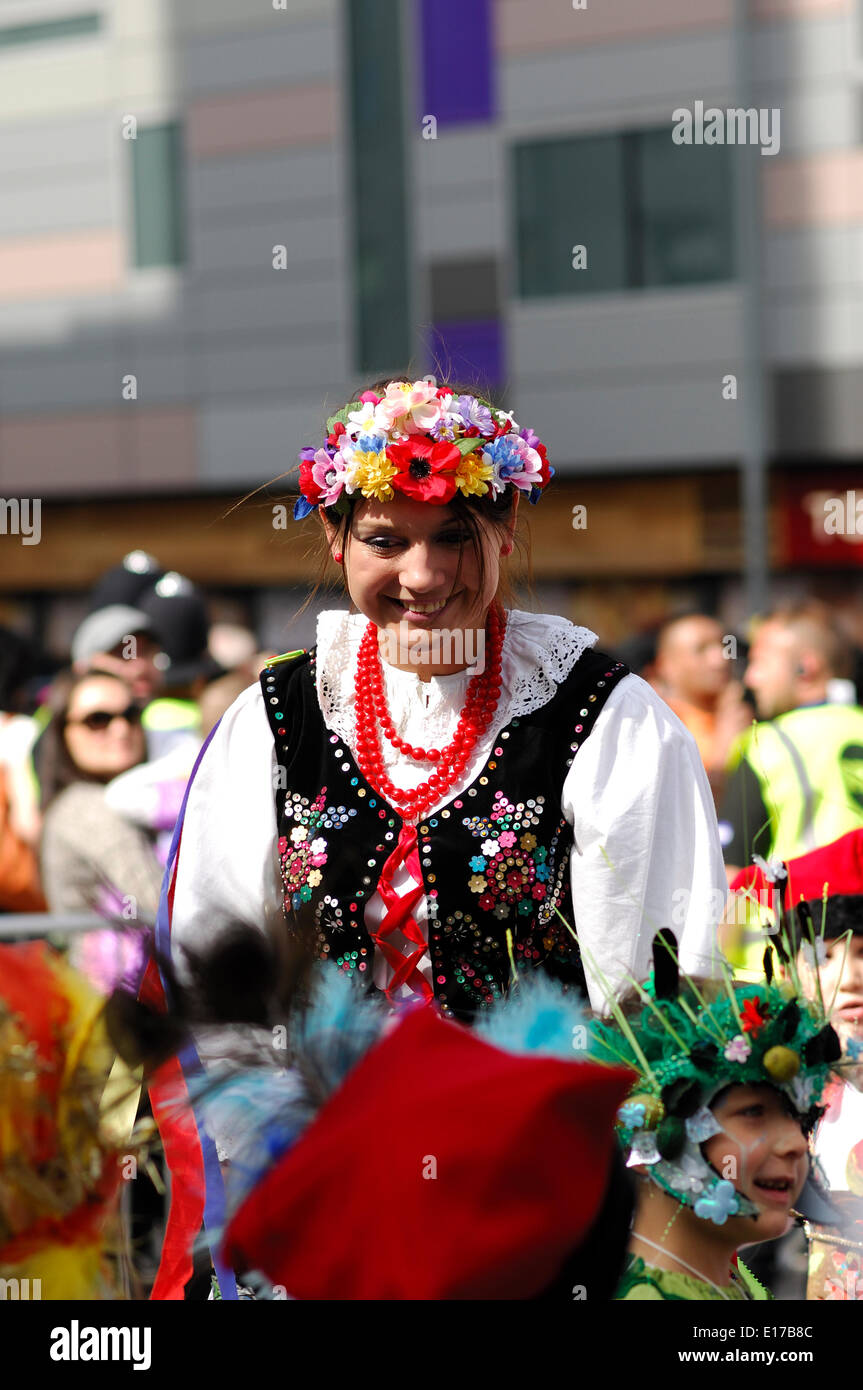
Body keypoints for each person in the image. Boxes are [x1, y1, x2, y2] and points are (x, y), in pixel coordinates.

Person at [149, 377, 727, 1298]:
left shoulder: (597, 713)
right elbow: (219, 963)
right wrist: (280, 1158)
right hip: (326, 1188)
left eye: (455, 535)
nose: (422, 577)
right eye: (385, 540)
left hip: (529, 1203)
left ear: (504, 533)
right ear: (335, 541)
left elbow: (659, 984)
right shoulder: (278, 716)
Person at [592, 931, 846, 1301]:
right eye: (754, 1111)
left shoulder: (730, 1282)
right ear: (646, 1134)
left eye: (798, 1116)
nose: (795, 1144)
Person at [39, 669, 163, 992]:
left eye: (131, 713)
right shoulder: (87, 807)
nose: (121, 729)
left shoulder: (135, 797)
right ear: (63, 733)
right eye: (98, 719)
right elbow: (159, 900)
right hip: (109, 1002)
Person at [720, 601, 863, 876]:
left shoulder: (766, 743)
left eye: (760, 663)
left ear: (805, 668)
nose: (750, 678)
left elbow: (732, 874)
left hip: (801, 914)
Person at [653, 613, 750, 802]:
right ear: (666, 664)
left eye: (724, 646)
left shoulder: (746, 712)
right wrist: (723, 754)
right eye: (701, 650)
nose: (720, 660)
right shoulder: (658, 724)